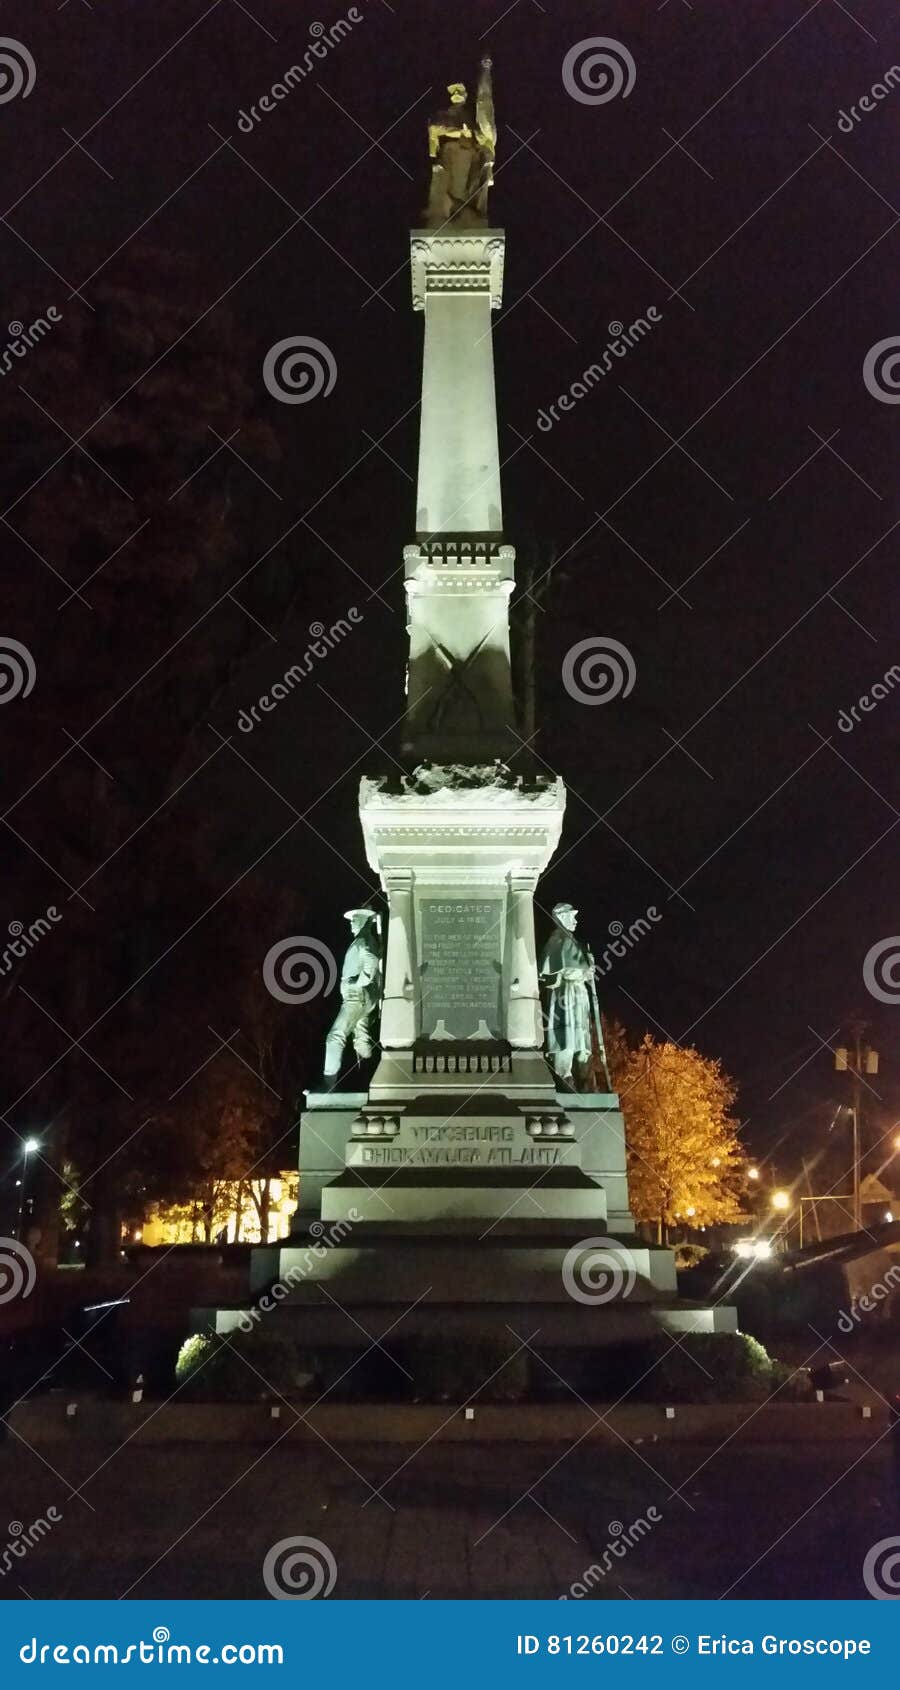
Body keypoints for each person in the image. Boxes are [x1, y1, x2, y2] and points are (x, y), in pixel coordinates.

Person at [426, 57, 496, 226]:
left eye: (460, 91)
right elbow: (434, 130)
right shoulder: (443, 115)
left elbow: (482, 133)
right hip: (450, 155)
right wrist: (458, 132)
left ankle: (469, 215)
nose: (456, 94)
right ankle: (450, 216)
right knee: (450, 192)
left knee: (470, 189)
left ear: (465, 95)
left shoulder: (471, 116)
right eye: (453, 92)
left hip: (470, 156)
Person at [539, 902, 596, 1090]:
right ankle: (565, 1077)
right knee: (566, 1037)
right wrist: (586, 970)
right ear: (562, 918)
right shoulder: (559, 940)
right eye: (572, 916)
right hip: (567, 994)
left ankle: (581, 1079)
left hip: (578, 995)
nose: (576, 920)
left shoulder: (570, 940)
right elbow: (569, 970)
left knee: (579, 1035)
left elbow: (580, 969)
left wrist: (588, 967)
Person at [323, 908, 382, 1079]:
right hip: (363, 998)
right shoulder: (365, 939)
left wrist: (359, 982)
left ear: (364, 921)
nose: (351, 923)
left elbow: (371, 960)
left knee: (335, 1036)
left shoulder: (363, 940)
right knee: (361, 1038)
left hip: (356, 997)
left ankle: (328, 1082)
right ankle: (368, 1076)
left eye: (354, 919)